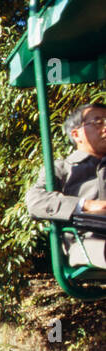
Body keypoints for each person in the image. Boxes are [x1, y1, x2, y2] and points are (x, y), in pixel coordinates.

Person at [26, 101, 106, 270]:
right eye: (99, 122)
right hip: (88, 241)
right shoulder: (62, 168)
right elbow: (36, 201)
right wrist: (86, 205)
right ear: (76, 134)